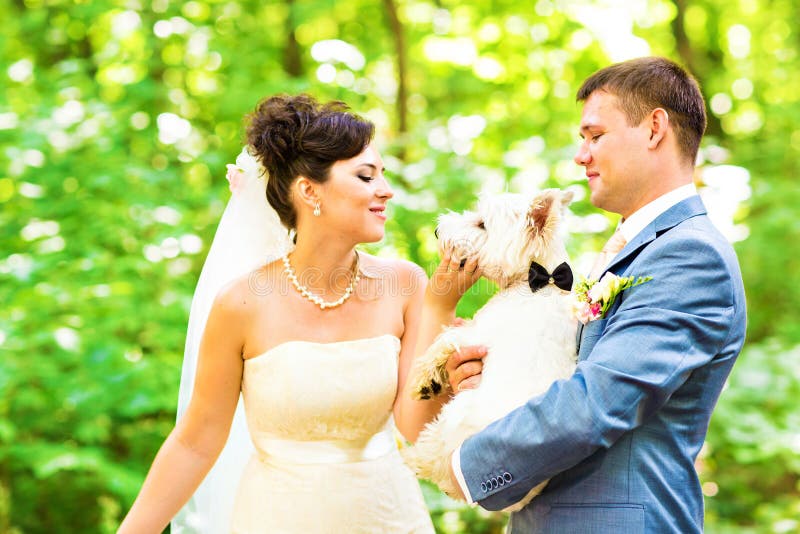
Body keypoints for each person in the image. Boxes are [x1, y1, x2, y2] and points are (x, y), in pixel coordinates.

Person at [118, 94, 469, 533]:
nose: (385, 190)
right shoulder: (240, 304)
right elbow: (195, 442)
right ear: (308, 190)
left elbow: (415, 426)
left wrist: (442, 309)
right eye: (366, 176)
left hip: (388, 516)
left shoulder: (407, 286)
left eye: (383, 175)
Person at [427, 57, 747, 532]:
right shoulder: (633, 249)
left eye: (595, 136)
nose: (581, 156)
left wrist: (465, 463)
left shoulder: (690, 255)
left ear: (654, 128)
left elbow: (599, 400)